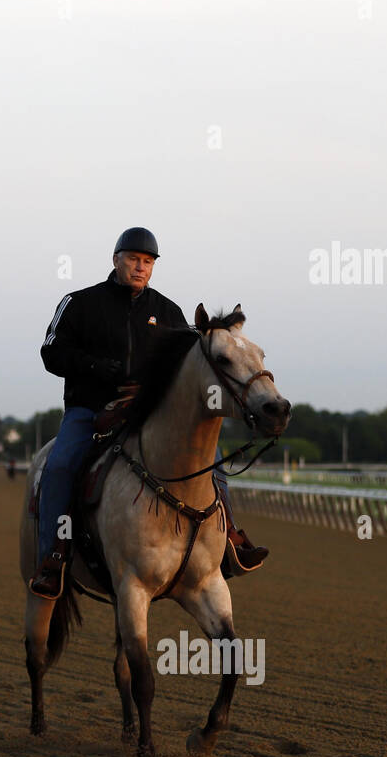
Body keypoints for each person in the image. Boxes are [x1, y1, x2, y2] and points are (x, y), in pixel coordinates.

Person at [29, 227, 267, 599]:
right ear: (116, 260)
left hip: (147, 413)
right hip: (89, 410)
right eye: (134, 260)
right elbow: (51, 352)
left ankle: (231, 539)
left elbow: (185, 371)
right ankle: (53, 557)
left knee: (213, 458)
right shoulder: (79, 303)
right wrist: (97, 368)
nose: (141, 267)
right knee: (60, 466)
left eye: (148, 262)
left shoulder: (169, 312)